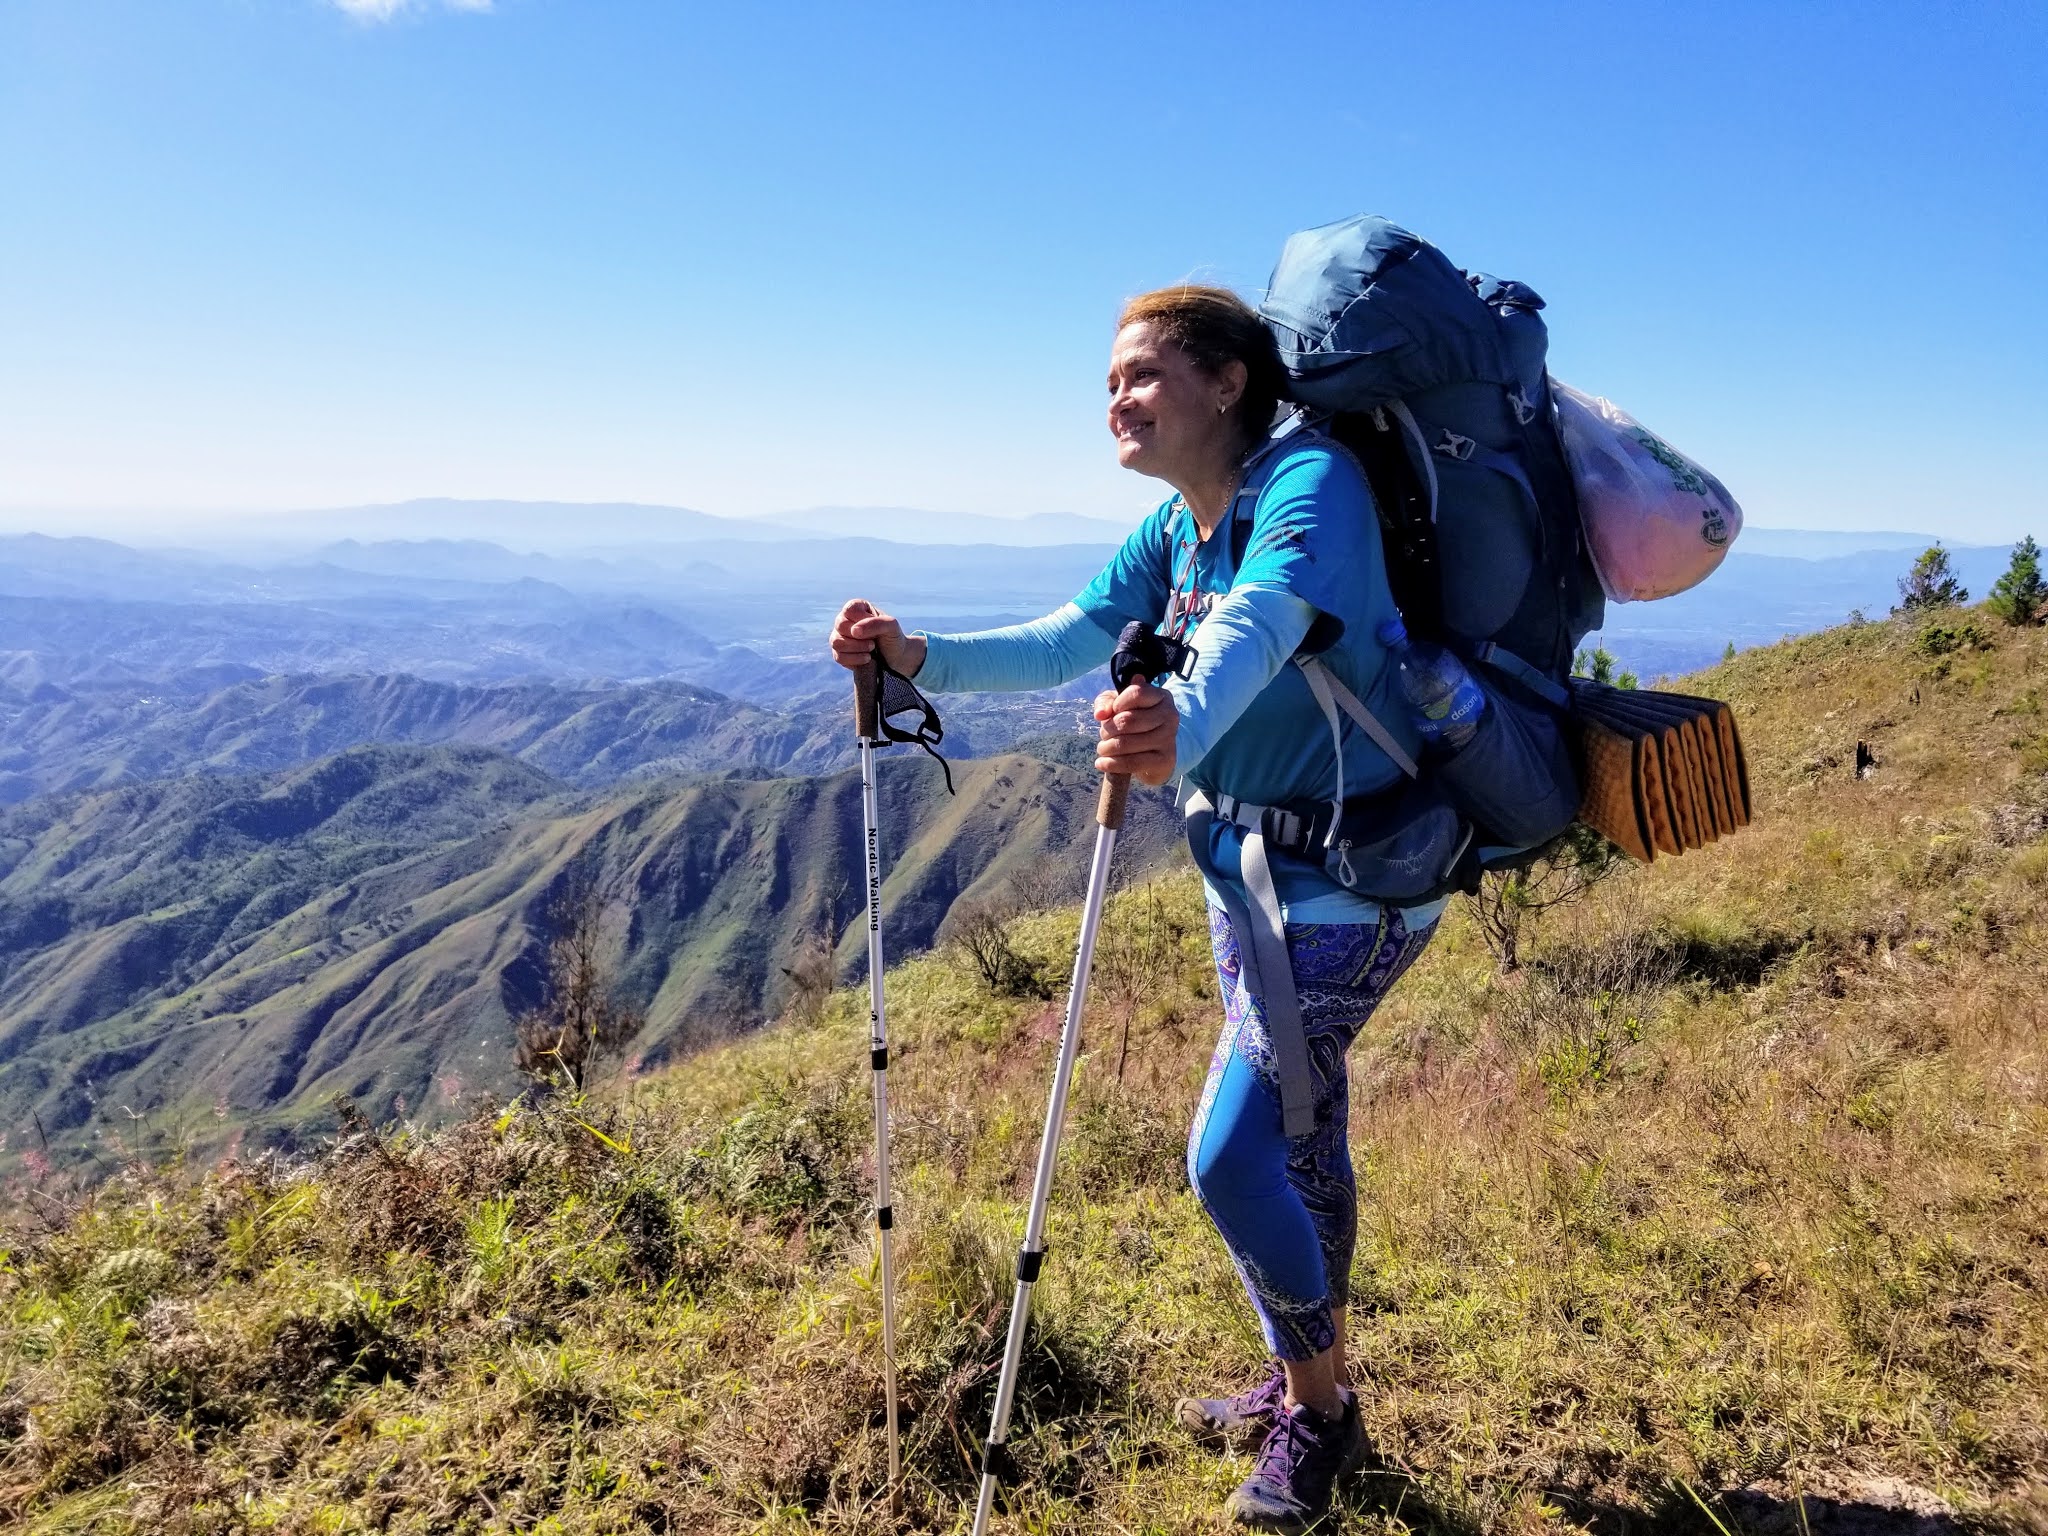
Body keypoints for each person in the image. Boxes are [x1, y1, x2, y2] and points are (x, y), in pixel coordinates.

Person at [828, 285, 1445, 1531]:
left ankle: (1321, 1418)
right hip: (1250, 880)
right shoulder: (1178, 524)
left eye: (1142, 375)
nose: (1115, 399)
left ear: (1227, 382)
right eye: (1108, 382)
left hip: (1350, 886)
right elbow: (1066, 637)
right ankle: (1302, 1376)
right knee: (1300, 1139)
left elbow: (1257, 634)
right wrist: (914, 656)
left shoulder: (1304, 488)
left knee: (1228, 1161)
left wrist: (1179, 723)